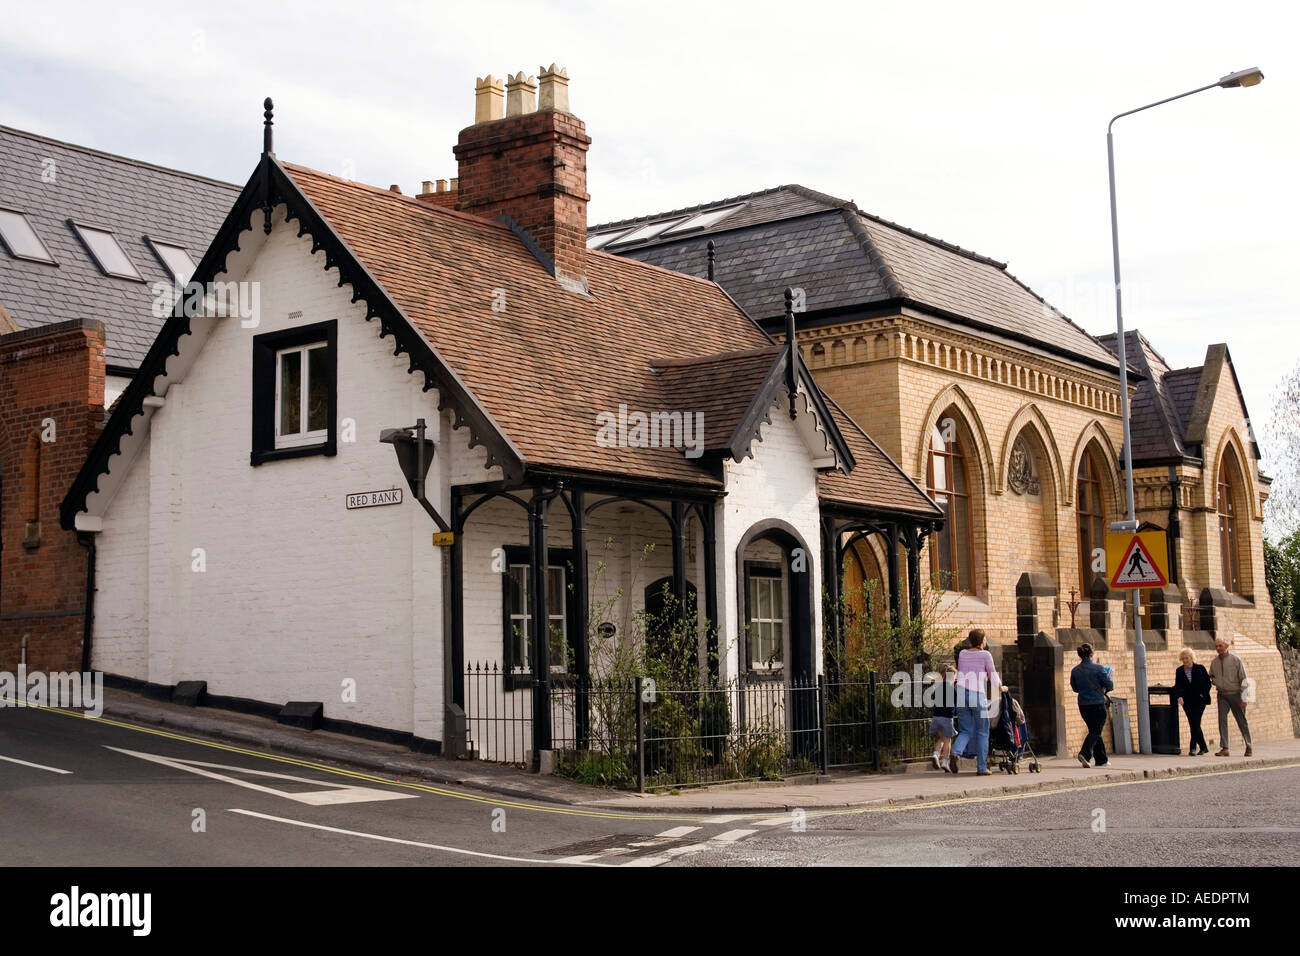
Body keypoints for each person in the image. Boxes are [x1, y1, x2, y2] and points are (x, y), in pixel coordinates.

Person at [950, 630, 1005, 776]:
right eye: (985, 639)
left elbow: (964, 671)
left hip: (961, 693)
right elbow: (993, 675)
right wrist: (1001, 687)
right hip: (976, 694)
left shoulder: (962, 654)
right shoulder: (985, 654)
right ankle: (981, 768)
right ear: (982, 641)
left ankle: (955, 752)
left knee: (965, 730)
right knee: (982, 731)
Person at [1069, 643, 1113, 768]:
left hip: (1083, 705)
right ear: (1091, 654)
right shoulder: (1099, 668)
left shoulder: (1075, 670)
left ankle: (1101, 760)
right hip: (1097, 704)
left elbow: (1075, 688)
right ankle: (1084, 753)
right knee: (1096, 730)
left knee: (1094, 730)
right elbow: (1110, 685)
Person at [1209, 638, 1253, 757]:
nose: (1218, 648)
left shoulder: (1235, 660)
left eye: (1220, 646)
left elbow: (1243, 679)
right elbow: (1211, 676)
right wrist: (1216, 682)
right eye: (1216, 646)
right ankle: (1225, 747)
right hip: (1222, 694)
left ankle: (1249, 745)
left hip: (1236, 694)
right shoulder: (1214, 662)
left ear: (1226, 646)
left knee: (1241, 720)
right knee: (1222, 720)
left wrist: (1244, 697)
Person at [1172, 648, 1211, 756]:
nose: (1185, 660)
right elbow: (1178, 685)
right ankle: (1203, 747)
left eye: (1187, 658)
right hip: (1187, 701)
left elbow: (1208, 683)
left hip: (1199, 701)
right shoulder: (1179, 671)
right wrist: (1179, 696)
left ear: (1191, 658)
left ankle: (1192, 747)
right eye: (1183, 658)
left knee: (1195, 722)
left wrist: (1203, 694)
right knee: (1194, 723)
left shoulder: (1200, 668)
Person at [929, 662, 957, 772]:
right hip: (947, 718)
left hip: (936, 717)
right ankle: (945, 761)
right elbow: (956, 701)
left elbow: (933, 698)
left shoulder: (938, 687)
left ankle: (936, 754)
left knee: (941, 739)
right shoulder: (952, 688)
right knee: (948, 740)